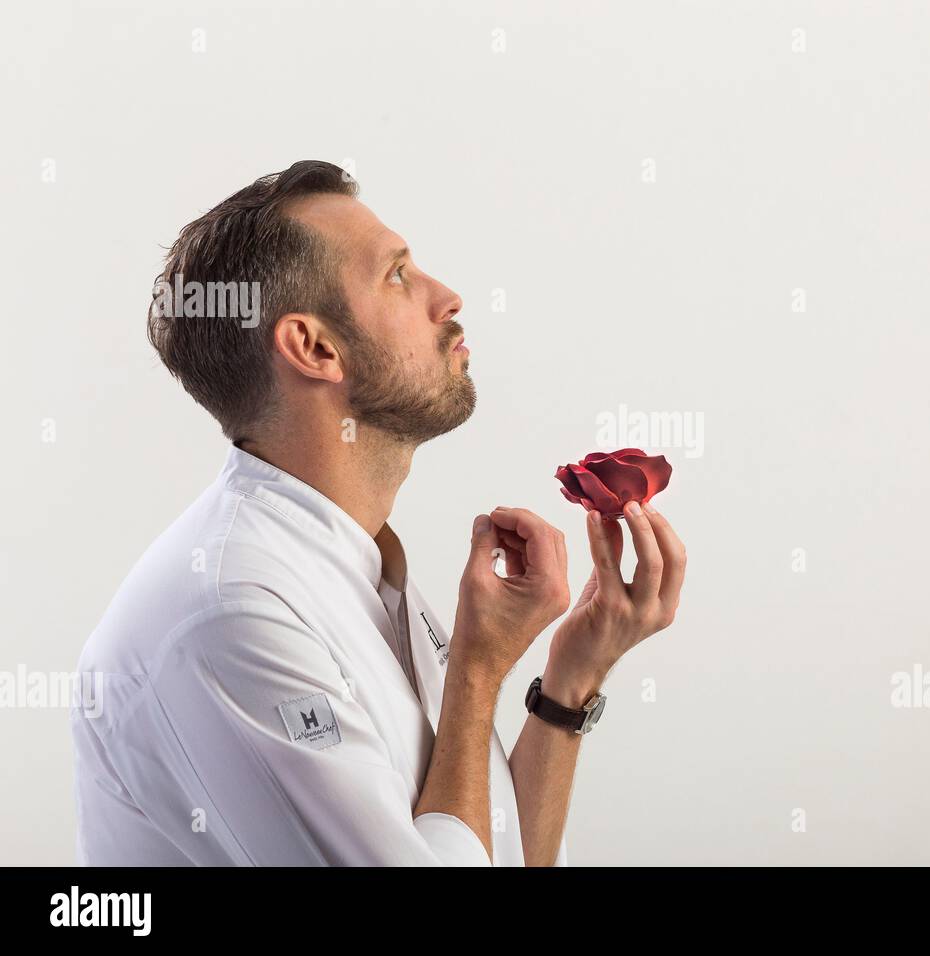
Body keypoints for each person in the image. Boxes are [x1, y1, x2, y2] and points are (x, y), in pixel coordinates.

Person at [70, 161, 686, 866]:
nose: (446, 296)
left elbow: (494, 855)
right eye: (397, 275)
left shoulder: (359, 567)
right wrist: (476, 674)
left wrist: (574, 677)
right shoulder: (234, 612)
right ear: (315, 347)